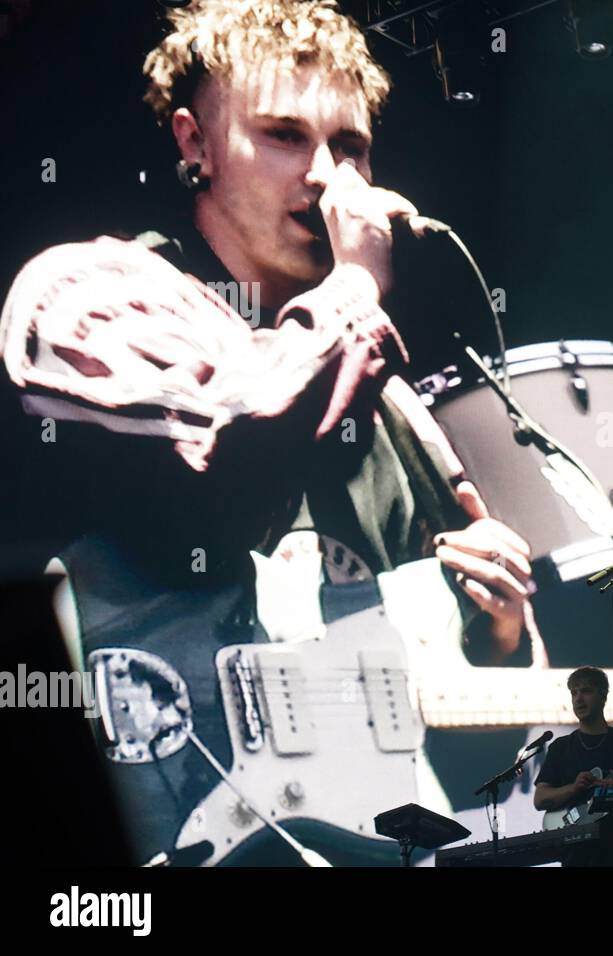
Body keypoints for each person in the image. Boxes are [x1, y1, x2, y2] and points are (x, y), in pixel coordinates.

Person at [0, 0, 535, 863]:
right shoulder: (88, 296)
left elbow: (484, 770)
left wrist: (498, 634)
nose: (328, 176)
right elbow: (212, 487)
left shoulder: (389, 405)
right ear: (193, 143)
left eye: (351, 147)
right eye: (284, 135)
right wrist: (356, 291)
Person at [533, 666, 613, 866]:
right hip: (577, 858)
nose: (578, 698)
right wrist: (574, 788)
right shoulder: (560, 748)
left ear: (603, 696)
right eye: (574, 693)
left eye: (586, 691)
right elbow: (540, 799)